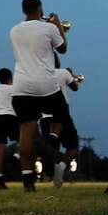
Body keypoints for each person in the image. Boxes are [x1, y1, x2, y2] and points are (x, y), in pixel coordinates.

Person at [8, 0, 69, 193]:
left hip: (22, 86)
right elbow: (63, 48)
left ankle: (28, 182)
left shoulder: (14, 30)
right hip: (46, 85)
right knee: (62, 114)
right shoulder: (49, 28)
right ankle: (51, 141)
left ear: (23, 10)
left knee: (26, 132)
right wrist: (58, 24)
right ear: (40, 8)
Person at [40, 60, 81, 189]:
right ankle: (62, 168)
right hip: (62, 115)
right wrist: (70, 74)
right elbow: (75, 87)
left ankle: (51, 173)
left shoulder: (38, 75)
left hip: (45, 118)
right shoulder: (63, 73)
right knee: (73, 145)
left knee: (52, 149)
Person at [0, 69, 19, 190]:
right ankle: (18, 154)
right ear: (10, 77)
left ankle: (0, 178)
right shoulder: (14, 88)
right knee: (25, 139)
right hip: (11, 117)